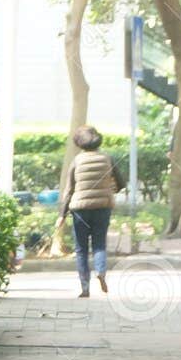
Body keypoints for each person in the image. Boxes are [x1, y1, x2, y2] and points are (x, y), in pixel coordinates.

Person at [59, 125, 125, 298]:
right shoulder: (107, 158)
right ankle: (101, 271)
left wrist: (61, 215)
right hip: (102, 207)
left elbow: (68, 191)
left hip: (80, 210)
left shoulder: (76, 161)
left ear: (79, 143)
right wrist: (110, 191)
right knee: (99, 244)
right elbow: (121, 183)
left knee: (81, 249)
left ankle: (85, 288)